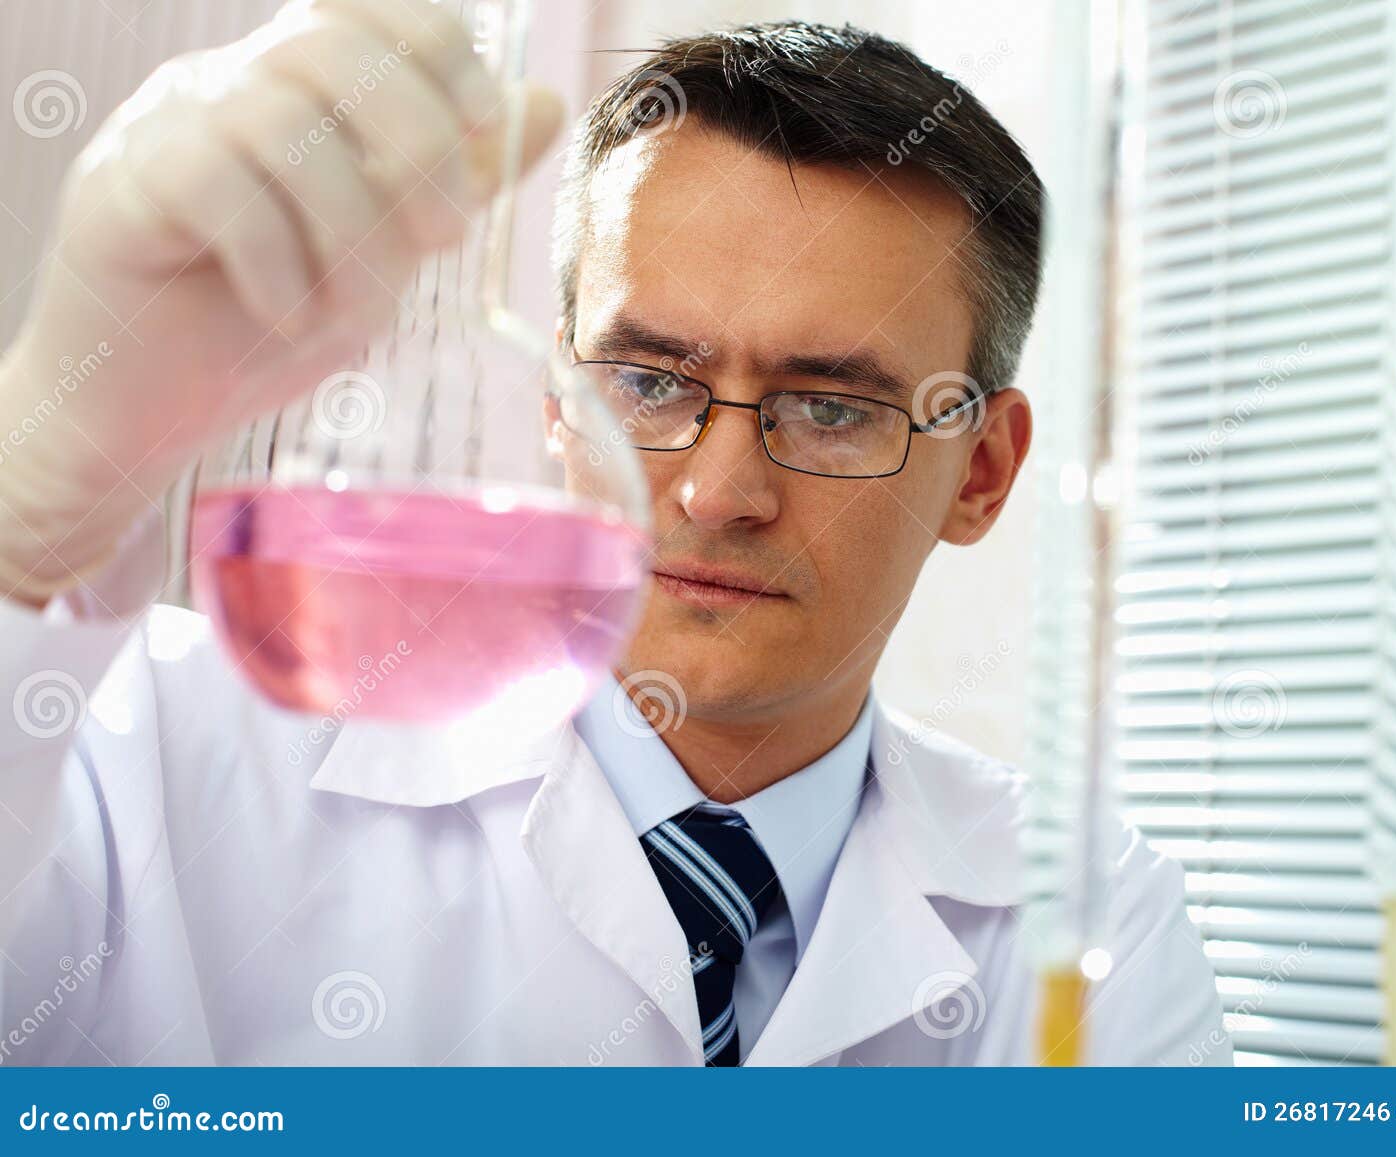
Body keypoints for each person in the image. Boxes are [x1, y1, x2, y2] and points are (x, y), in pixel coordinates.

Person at [0, 0, 1228, 1066]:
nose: (717, 493)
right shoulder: (150, 753)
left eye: (831, 407)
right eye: (646, 382)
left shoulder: (1093, 924)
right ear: (556, 405)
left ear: (983, 471)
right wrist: (25, 510)